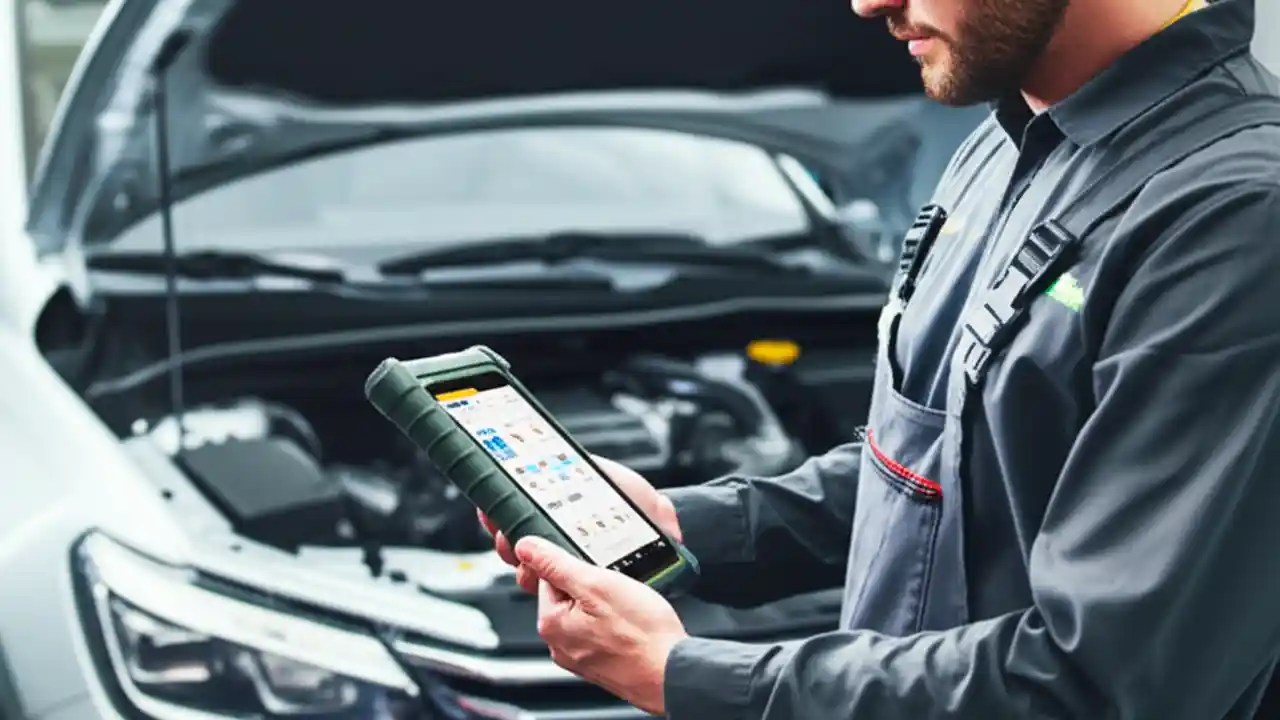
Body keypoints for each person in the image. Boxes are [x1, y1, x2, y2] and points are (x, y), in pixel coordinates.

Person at [481, 0, 1280, 717]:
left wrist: (690, 677)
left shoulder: (1236, 216)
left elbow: (1105, 682)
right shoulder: (1002, 143)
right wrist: (688, 528)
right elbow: (942, 465)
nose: (869, 4)